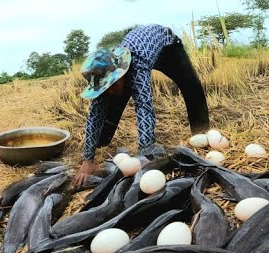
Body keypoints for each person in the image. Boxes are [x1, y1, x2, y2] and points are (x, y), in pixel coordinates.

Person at [74, 24, 210, 186]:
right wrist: (87, 159)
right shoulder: (104, 70)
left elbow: (144, 107)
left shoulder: (136, 66)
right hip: (139, 53)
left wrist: (146, 152)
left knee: (191, 87)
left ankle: (201, 134)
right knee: (109, 100)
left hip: (168, 47)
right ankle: (102, 141)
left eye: (111, 84)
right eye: (105, 86)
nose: (108, 90)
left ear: (120, 74)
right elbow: (94, 115)